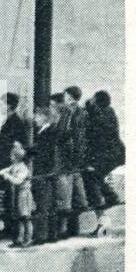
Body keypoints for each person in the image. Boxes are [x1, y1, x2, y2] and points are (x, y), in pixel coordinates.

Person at [54, 85, 90, 237]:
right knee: (76, 198)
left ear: (69, 96)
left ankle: (63, 229)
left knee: (65, 197)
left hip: (67, 161)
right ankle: (72, 228)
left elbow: (61, 134)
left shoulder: (68, 112)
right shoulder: (83, 113)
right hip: (77, 161)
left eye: (65, 95)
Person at [84, 89, 124, 214]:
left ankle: (109, 198)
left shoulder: (101, 114)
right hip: (115, 154)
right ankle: (110, 197)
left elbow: (95, 128)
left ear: (97, 101)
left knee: (93, 175)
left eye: (94, 99)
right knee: (96, 176)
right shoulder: (109, 112)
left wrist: (88, 106)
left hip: (109, 155)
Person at [29, 101, 60, 244]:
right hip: (49, 173)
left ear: (44, 117)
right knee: (50, 204)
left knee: (42, 204)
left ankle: (40, 236)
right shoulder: (47, 131)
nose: (35, 118)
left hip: (43, 173)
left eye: (37, 116)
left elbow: (43, 153)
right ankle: (52, 234)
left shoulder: (47, 133)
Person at [0, 140, 34, 248]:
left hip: (24, 194)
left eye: (12, 155)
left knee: (25, 217)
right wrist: (3, 173)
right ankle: (18, 239)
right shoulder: (14, 166)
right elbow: (3, 171)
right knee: (18, 217)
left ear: (17, 157)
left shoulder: (23, 168)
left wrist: (8, 176)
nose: (10, 157)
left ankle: (28, 239)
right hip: (17, 194)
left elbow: (17, 181)